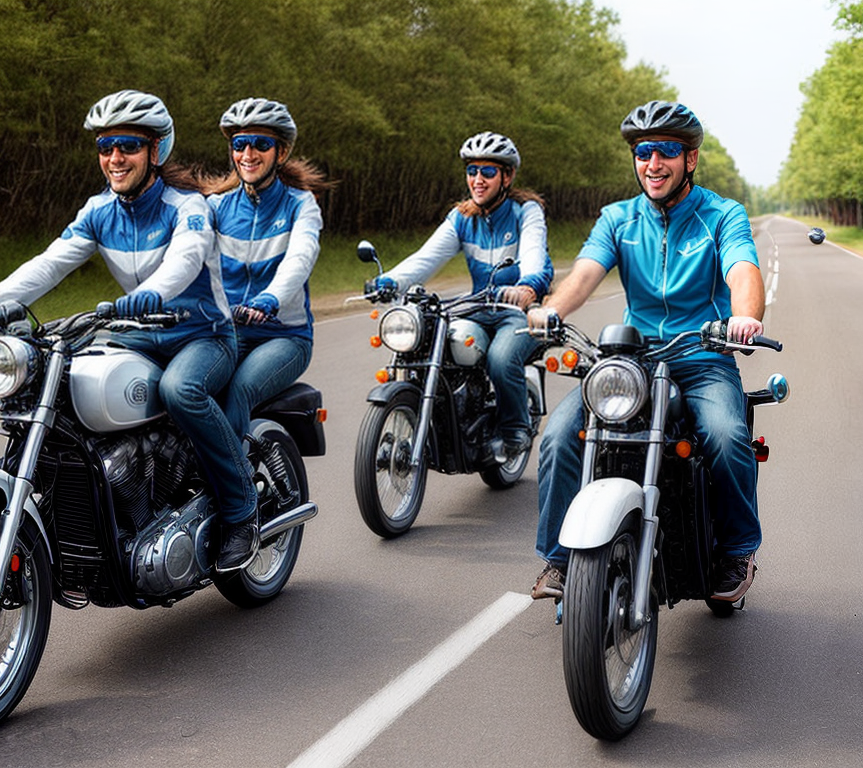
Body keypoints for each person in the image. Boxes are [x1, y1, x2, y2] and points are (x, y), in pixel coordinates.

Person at [0, 89, 259, 572]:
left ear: (155, 151)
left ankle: (242, 510)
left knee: (180, 391)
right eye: (105, 147)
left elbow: (185, 259)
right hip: (137, 335)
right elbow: (52, 262)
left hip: (202, 335)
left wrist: (154, 293)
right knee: (65, 384)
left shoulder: (188, 206)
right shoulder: (99, 211)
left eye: (128, 145)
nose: (115, 158)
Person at [527, 100, 766, 603]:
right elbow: (585, 273)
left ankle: (737, 551)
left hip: (701, 357)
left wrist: (744, 317)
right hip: (631, 363)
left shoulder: (722, 215)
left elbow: (742, 268)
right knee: (559, 436)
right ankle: (560, 560)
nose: (653, 163)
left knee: (725, 436)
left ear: (690, 159)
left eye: (666, 151)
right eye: (643, 152)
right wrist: (552, 311)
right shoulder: (618, 218)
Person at [369, 131, 554, 459]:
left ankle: (515, 430)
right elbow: (425, 259)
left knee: (501, 359)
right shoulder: (462, 218)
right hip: (477, 308)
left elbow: (534, 253)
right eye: (472, 171)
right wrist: (388, 281)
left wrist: (529, 285)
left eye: (488, 171)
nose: (478, 180)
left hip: (518, 312)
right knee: (432, 344)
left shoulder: (526, 212)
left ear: (507, 176)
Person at [201, 97, 329, 441]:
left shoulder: (300, 205)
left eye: (260, 144)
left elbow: (300, 258)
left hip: (284, 335)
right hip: (226, 331)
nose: (248, 153)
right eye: (240, 144)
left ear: (280, 152)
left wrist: (270, 299)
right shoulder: (216, 206)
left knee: (241, 388)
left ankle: (235, 472)